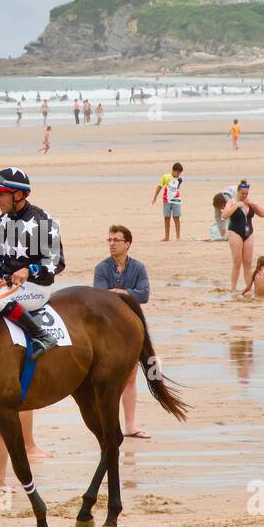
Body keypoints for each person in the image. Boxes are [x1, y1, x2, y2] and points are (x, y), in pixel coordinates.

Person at [0, 167, 66, 359]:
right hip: (8, 284)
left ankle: (42, 336)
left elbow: (57, 261)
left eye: (1, 195)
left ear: (18, 194)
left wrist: (29, 270)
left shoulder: (42, 220)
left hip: (36, 287)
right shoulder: (1, 221)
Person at [94, 224, 151, 439]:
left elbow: (144, 294)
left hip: (131, 328)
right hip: (107, 328)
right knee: (106, 378)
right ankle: (108, 424)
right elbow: (99, 296)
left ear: (127, 243)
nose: (112, 244)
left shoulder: (138, 268)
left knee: (130, 377)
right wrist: (127, 294)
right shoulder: (102, 268)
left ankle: (130, 425)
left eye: (116, 240)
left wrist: (120, 292)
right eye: (109, 240)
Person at [219, 180, 264, 290]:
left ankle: (248, 288)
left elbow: (263, 214)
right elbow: (224, 215)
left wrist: (252, 204)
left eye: (246, 193)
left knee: (248, 263)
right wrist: (236, 206)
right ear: (238, 192)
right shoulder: (231, 201)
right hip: (235, 232)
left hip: (249, 233)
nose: (244, 195)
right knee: (237, 262)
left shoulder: (249, 203)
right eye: (242, 193)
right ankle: (233, 288)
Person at [152, 162, 184, 241]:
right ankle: (167, 237)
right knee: (166, 218)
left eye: (180, 173)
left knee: (176, 217)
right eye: (178, 173)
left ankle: (178, 237)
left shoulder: (179, 179)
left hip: (176, 200)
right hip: (166, 200)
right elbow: (159, 186)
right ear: (173, 170)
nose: (179, 174)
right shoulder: (165, 177)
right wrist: (155, 197)